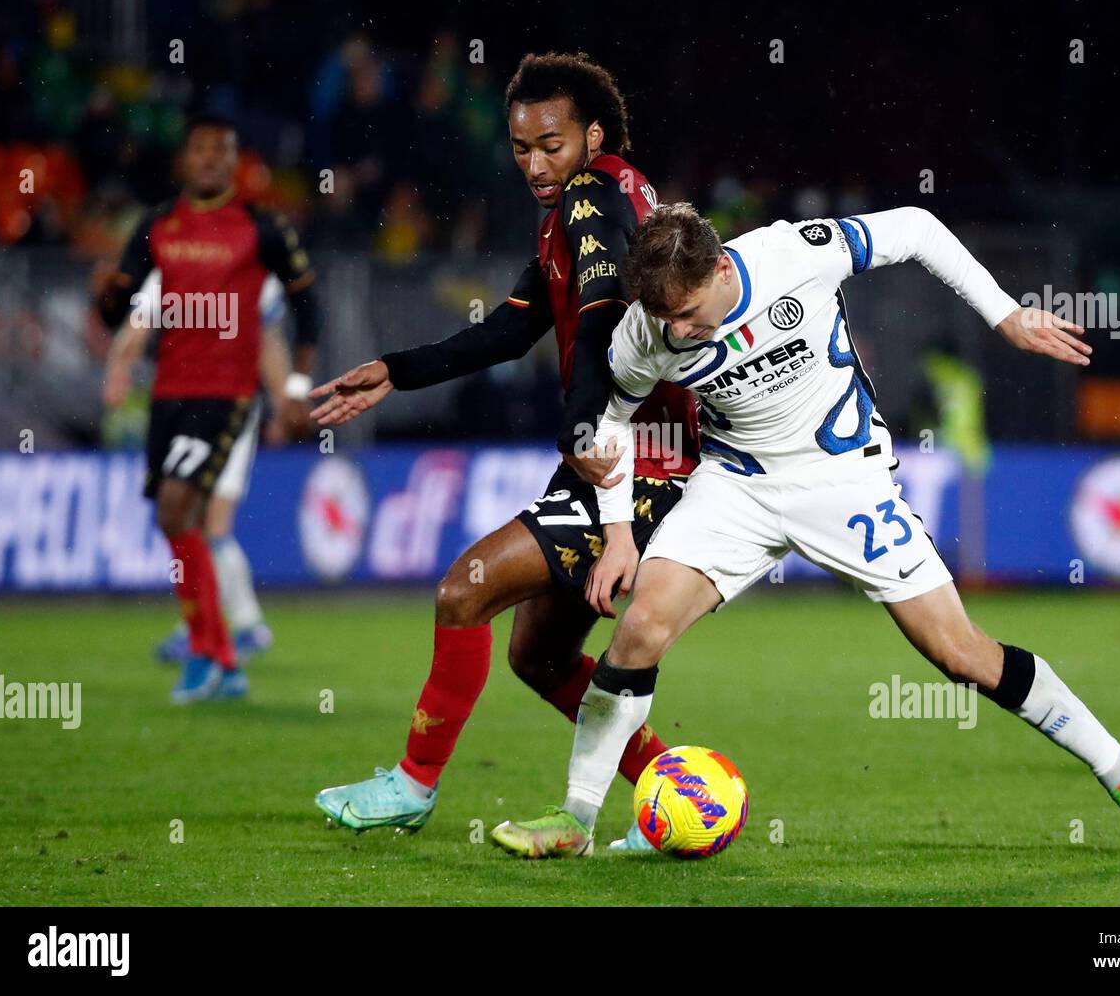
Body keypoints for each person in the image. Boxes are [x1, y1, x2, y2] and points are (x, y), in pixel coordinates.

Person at [491, 203, 1120, 859]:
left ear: (724, 270)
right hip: (738, 484)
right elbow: (612, 420)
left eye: (689, 314)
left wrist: (1004, 315)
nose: (678, 332)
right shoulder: (646, 330)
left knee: (961, 654)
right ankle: (576, 819)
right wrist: (618, 535)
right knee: (640, 625)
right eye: (666, 318)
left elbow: (916, 226)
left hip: (841, 478)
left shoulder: (793, 253)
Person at [309, 53, 700, 841]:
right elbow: (512, 326)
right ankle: (682, 788)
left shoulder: (592, 193)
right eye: (521, 148)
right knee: (541, 658)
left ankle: (414, 784)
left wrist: (582, 427)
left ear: (591, 136)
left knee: (463, 592)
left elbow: (599, 309)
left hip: (626, 457)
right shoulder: (600, 199)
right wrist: (398, 369)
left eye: (550, 144)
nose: (534, 163)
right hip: (639, 450)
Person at [95, 114, 320, 703]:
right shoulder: (157, 226)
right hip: (168, 394)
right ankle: (222, 655)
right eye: (199, 151)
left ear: (234, 161)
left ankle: (209, 651)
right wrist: (108, 306)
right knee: (179, 521)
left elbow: (307, 306)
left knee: (181, 508)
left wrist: (292, 391)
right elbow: (123, 309)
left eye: (222, 152)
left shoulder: (261, 228)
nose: (210, 161)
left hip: (227, 395)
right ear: (184, 160)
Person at [102, 273, 293, 665]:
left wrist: (117, 372)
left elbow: (136, 330)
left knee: (209, 522)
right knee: (197, 521)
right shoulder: (198, 261)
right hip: (189, 408)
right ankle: (231, 625)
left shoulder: (179, 262)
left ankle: (222, 628)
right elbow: (269, 344)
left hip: (229, 407)